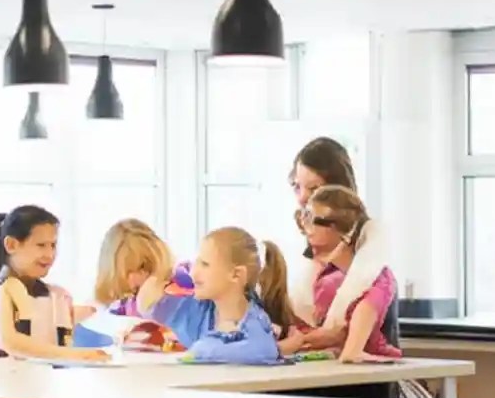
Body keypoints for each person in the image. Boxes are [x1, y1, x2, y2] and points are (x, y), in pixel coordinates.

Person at [134, 227, 292, 364]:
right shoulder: (196, 311)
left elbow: (263, 351)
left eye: (205, 264)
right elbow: (150, 305)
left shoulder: (253, 319)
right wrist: (159, 276)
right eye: (197, 263)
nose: (193, 272)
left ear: (236, 275)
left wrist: (202, 350)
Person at [287, 137, 390, 345]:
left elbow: (356, 296)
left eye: (313, 189)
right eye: (298, 187)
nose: (302, 198)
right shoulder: (310, 249)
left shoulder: (371, 238)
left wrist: (328, 333)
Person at [0, 205, 110, 362]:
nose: (49, 255)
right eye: (41, 245)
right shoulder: (6, 289)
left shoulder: (56, 295)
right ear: (11, 245)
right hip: (9, 380)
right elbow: (11, 342)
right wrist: (76, 354)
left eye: (53, 245)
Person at [297, 185, 402, 364]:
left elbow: (351, 353)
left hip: (369, 382)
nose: (306, 228)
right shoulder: (327, 277)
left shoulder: (379, 280)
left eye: (312, 219)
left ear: (342, 231)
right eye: (304, 216)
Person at [91, 219, 190, 317]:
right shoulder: (107, 311)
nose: (138, 276)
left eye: (144, 266)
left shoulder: (182, 284)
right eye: (128, 271)